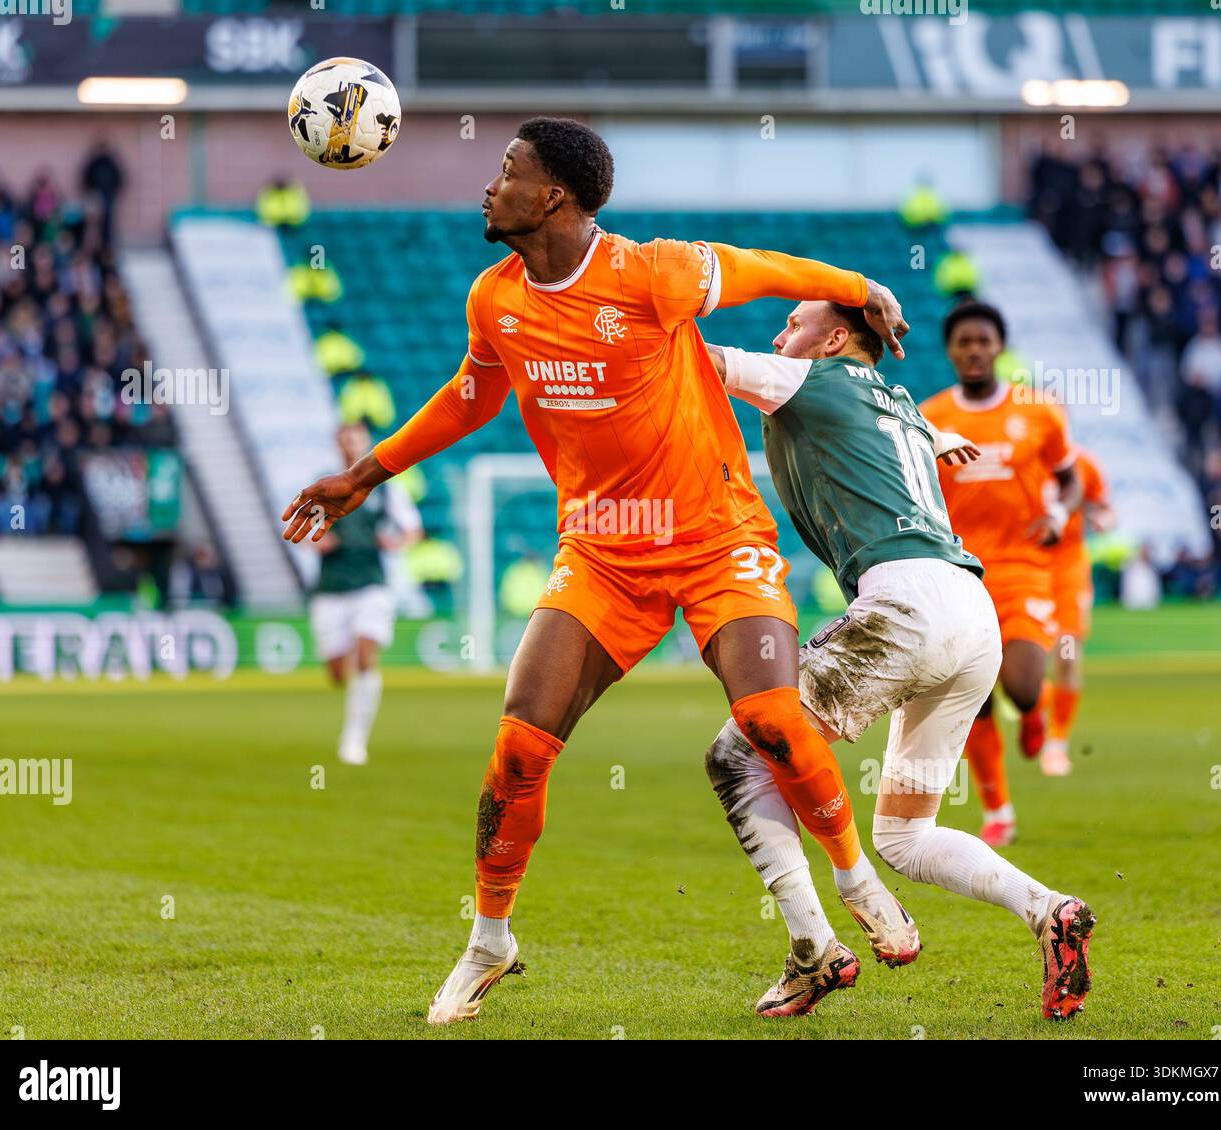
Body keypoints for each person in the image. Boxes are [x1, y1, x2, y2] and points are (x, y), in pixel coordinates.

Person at [280, 116, 912, 1024]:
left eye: (507, 171)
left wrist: (862, 288)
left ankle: (856, 882)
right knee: (518, 749)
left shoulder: (653, 272)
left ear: (553, 197)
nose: (490, 186)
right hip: (602, 552)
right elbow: (471, 397)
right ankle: (490, 941)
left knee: (770, 715)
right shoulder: (495, 298)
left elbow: (766, 267)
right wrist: (364, 474)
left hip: (714, 535)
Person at [701, 300, 1094, 1021]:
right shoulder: (905, 404)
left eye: (793, 323)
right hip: (972, 612)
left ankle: (813, 947)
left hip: (905, 604)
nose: (780, 336)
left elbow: (699, 358)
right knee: (905, 836)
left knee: (737, 756)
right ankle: (1049, 910)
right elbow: (903, 427)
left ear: (834, 339)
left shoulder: (807, 376)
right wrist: (941, 437)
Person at [920, 302, 1081, 848]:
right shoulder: (930, 417)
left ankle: (1035, 711)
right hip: (960, 573)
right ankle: (998, 811)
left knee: (1021, 685)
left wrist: (1058, 514)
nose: (974, 350)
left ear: (999, 347)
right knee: (974, 696)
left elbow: (1070, 479)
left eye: (983, 341)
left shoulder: (1038, 412)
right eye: (963, 342)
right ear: (950, 350)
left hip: (1023, 568)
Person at [307, 423, 406, 765]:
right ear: (338, 445)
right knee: (337, 672)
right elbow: (302, 528)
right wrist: (317, 541)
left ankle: (354, 739)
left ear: (367, 443)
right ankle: (350, 681)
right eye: (345, 439)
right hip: (331, 586)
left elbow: (412, 529)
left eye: (357, 439)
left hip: (370, 583)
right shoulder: (325, 484)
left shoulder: (386, 488)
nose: (351, 445)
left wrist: (394, 542)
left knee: (365, 656)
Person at [1041, 449, 1114, 776]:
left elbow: (1106, 509)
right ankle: (1036, 705)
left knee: (1067, 655)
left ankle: (1057, 744)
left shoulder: (1083, 465)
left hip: (1069, 570)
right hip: (1026, 566)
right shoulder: (1019, 457)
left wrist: (1103, 521)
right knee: (1016, 663)